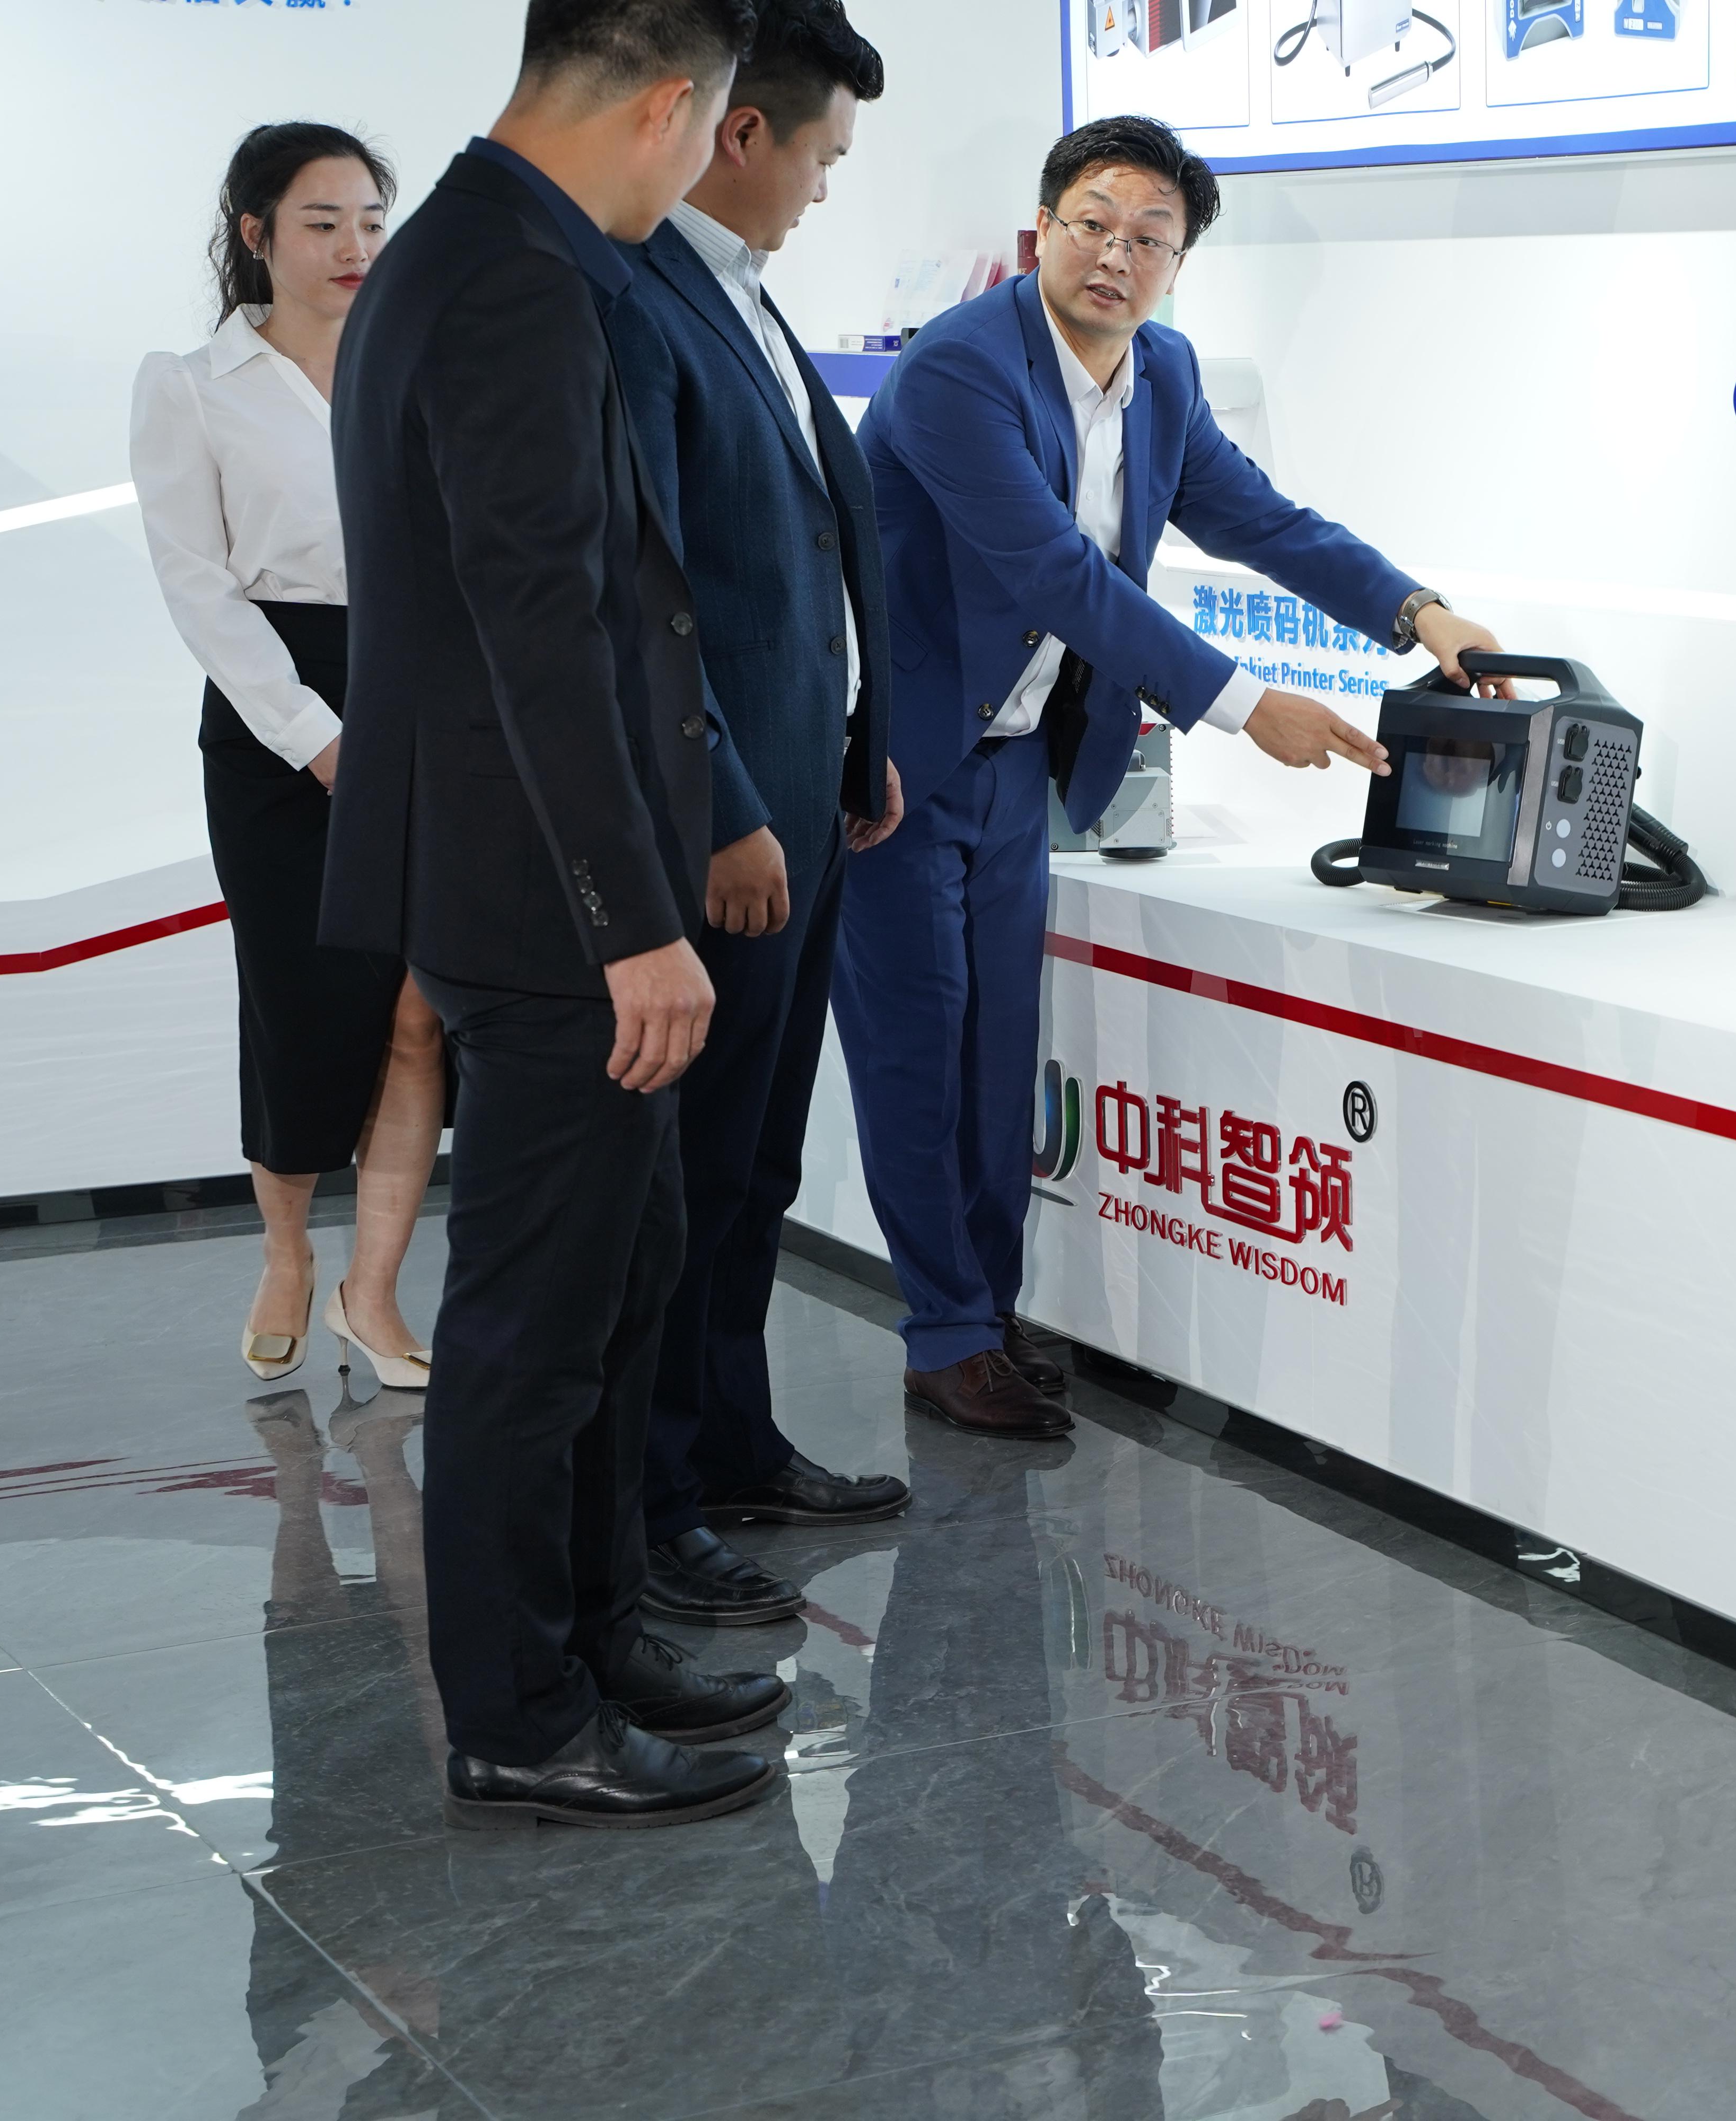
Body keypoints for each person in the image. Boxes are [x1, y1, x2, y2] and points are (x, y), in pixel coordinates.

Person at [841, 116, 1505, 1436]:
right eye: (1092, 222)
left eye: (1151, 236)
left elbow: (1264, 519)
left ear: (1180, 262)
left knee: (997, 1056)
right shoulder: (958, 366)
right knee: (919, 1052)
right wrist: (1246, 705)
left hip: (1023, 762)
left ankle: (987, 1315)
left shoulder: (1166, 373)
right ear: (1042, 229)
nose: (1116, 255)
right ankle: (946, 1332)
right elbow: (1056, 575)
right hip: (902, 764)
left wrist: (1422, 614)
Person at [320, 0, 790, 1830]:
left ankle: (594, 1642)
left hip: (529, 880)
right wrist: (627, 919)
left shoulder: (479, 248)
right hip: (543, 902)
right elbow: (539, 626)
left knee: (621, 1271)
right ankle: (521, 1714)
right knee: (534, 1321)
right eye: (715, 131)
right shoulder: (508, 279)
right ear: (672, 105)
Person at [603, 0, 910, 1628]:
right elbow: (650, 592)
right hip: (724, 826)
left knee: (757, 1164)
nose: (823, 188)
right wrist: (728, 805)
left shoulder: (746, 294)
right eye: (822, 158)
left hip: (808, 795)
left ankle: (731, 1442)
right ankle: (656, 1503)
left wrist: (863, 742)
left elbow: (802, 552)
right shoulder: (643, 301)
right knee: (693, 1171)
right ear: (743, 136)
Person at [130, 125, 446, 1392]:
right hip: (274, 713)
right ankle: (286, 1252)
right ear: (257, 233)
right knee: (300, 1007)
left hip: (421, 693)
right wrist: (320, 740)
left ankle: (374, 1293)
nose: (355, 245)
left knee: (420, 1010)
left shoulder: (418, 357)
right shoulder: (191, 382)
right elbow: (198, 589)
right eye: (323, 223)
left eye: (371, 219)